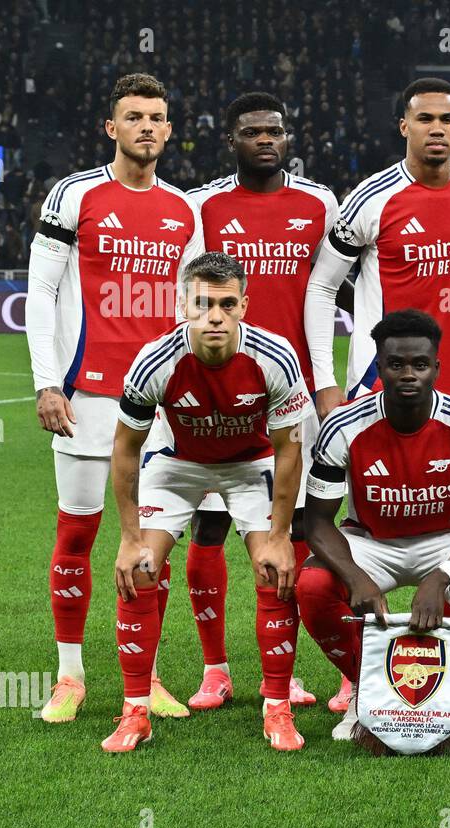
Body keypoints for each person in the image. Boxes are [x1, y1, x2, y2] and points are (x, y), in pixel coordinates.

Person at [302, 76, 450, 711]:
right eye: (425, 119)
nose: (437, 129)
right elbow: (318, 288)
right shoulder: (373, 199)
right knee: (365, 520)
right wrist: (330, 384)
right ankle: (357, 671)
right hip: (373, 387)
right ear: (404, 127)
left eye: (448, 119)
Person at [26, 73, 203, 725]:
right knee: (77, 533)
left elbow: (194, 310)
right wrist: (48, 381)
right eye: (134, 117)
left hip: (158, 407)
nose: (147, 127)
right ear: (113, 128)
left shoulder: (185, 212)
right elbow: (40, 293)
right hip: (85, 398)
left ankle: (147, 673)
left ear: (170, 129)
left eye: (158, 117)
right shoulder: (75, 195)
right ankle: (69, 676)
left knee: (150, 545)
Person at [102, 252, 311, 752]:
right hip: (177, 465)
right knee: (141, 571)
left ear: (243, 305)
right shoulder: (155, 360)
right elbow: (125, 450)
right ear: (182, 304)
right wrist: (130, 539)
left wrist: (280, 536)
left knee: (274, 570)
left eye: (225, 304)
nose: (213, 316)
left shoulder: (276, 355)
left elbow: (288, 450)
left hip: (249, 464)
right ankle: (136, 712)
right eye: (201, 304)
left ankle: (277, 707)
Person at [182, 90, 341, 712]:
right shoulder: (205, 206)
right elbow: (186, 300)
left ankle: (288, 672)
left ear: (289, 136)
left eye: (276, 130)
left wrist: (328, 379)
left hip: (291, 396)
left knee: (290, 533)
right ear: (232, 140)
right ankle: (215, 669)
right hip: (220, 397)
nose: (266, 139)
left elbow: (335, 287)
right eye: (253, 132)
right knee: (211, 527)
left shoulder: (320, 204)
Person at [296, 310, 450, 744]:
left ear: (437, 367)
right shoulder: (342, 426)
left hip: (446, 539)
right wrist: (356, 577)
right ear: (379, 368)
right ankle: (364, 688)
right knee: (314, 586)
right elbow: (315, 523)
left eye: (419, 364)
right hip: (369, 541)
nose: (408, 374)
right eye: (396, 365)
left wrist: (442, 576)